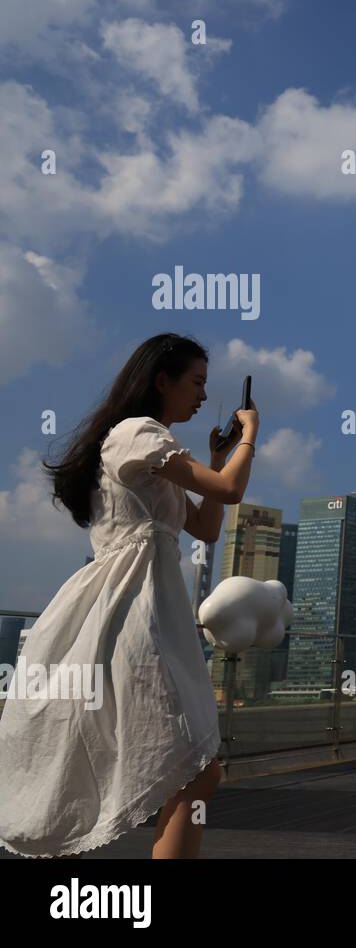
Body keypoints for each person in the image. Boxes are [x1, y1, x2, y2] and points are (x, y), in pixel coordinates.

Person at [0, 333, 259, 858]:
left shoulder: (155, 451)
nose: (204, 396)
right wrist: (252, 436)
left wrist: (216, 455)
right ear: (162, 380)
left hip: (150, 611)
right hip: (132, 611)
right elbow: (230, 489)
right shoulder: (136, 434)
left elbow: (208, 526)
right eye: (197, 382)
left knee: (195, 773)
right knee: (196, 772)